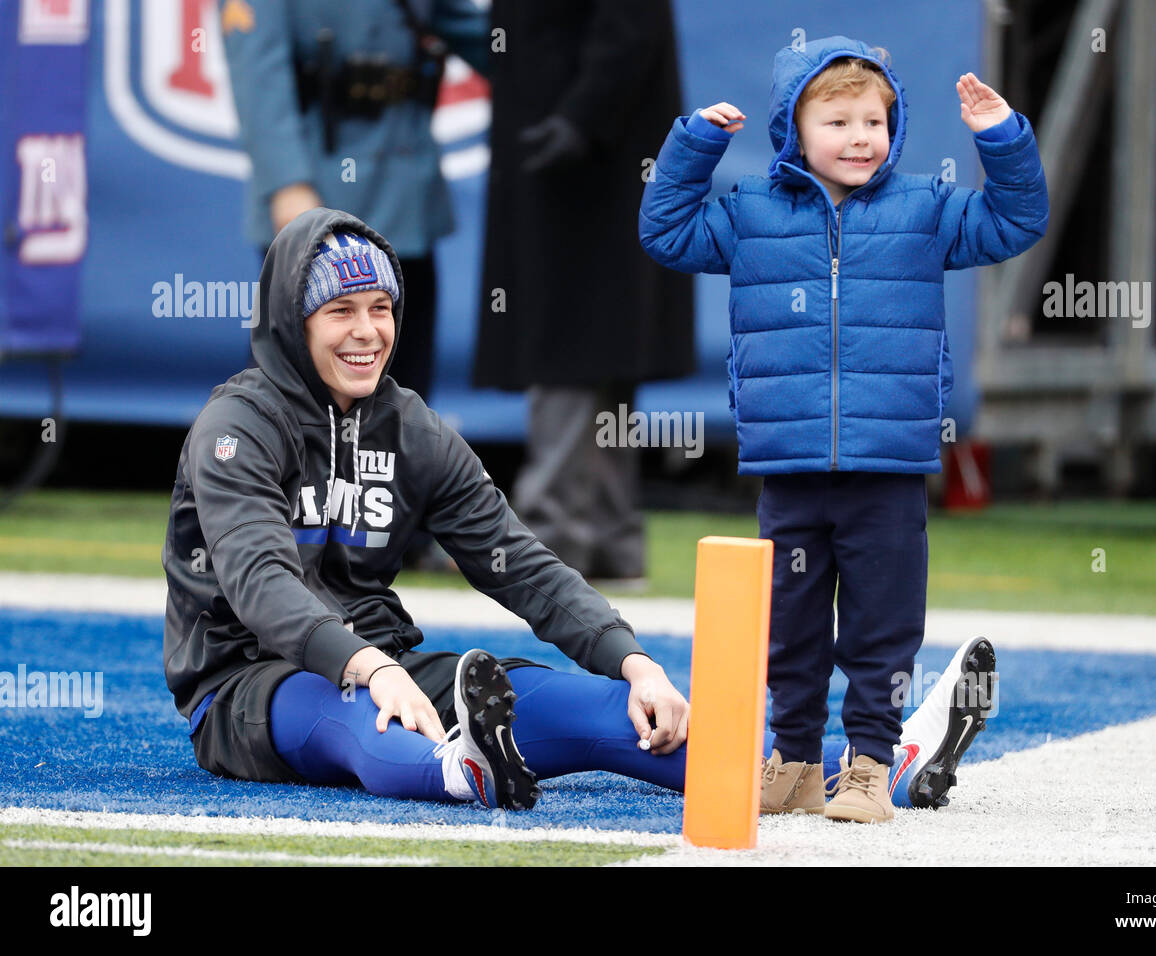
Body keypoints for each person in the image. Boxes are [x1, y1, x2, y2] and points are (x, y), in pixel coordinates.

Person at [162, 207, 994, 813]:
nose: (367, 332)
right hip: (253, 683)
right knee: (364, 724)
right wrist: (366, 666)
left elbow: (517, 562)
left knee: (641, 727)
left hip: (394, 665)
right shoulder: (237, 426)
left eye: (380, 309)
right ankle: (464, 768)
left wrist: (631, 663)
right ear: (290, 322)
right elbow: (261, 581)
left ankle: (880, 768)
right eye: (339, 311)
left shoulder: (407, 423)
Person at [640, 37, 1047, 823]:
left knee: (881, 628)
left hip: (888, 467)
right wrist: (693, 144)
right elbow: (666, 233)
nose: (862, 137)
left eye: (876, 121)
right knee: (786, 631)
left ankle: (867, 765)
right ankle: (791, 762)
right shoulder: (752, 213)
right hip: (787, 466)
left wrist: (1003, 136)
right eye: (839, 121)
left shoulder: (926, 209)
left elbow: (1016, 219)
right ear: (794, 129)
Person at [472, 0, 695, 587]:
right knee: (599, 349)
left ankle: (552, 540)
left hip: (591, 159)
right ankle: (605, 538)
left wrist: (581, 116)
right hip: (574, 149)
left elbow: (630, 25)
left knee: (573, 343)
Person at [220, 0, 490, 402]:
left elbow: (476, 34)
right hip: (321, 194)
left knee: (402, 393)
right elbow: (259, 72)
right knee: (295, 388)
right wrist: (287, 182)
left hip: (405, 193)